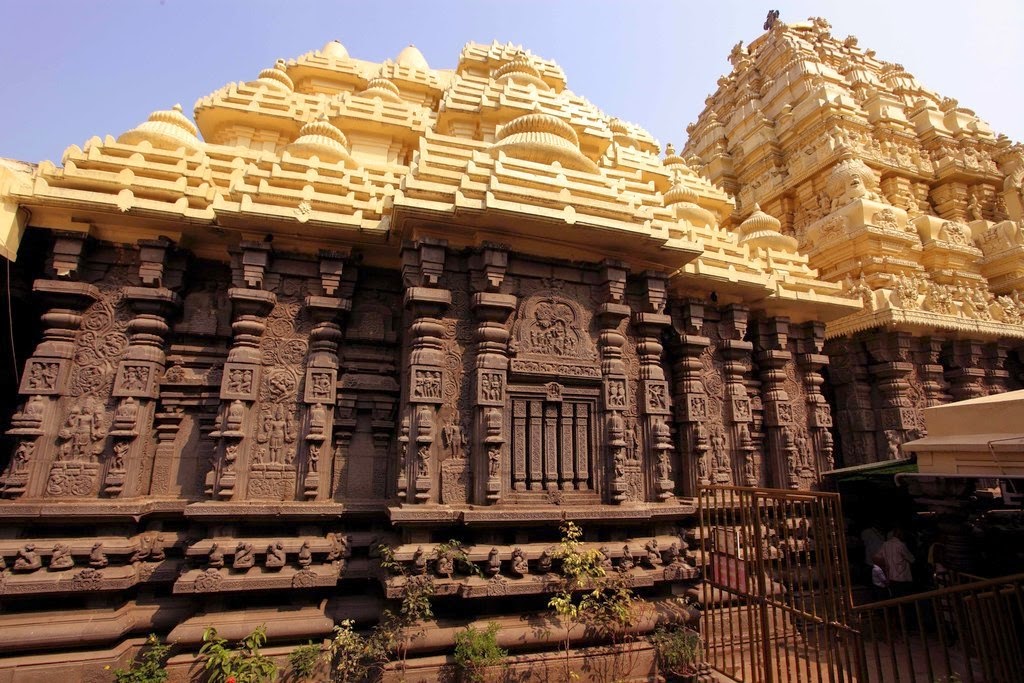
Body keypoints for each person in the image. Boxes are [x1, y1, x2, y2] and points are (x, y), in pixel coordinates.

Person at [875, 528, 914, 597]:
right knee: (905, 599)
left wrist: (885, 566)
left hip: (891, 577)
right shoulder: (900, 545)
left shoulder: (885, 544)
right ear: (899, 534)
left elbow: (876, 557)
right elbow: (911, 559)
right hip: (902, 577)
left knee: (895, 598)